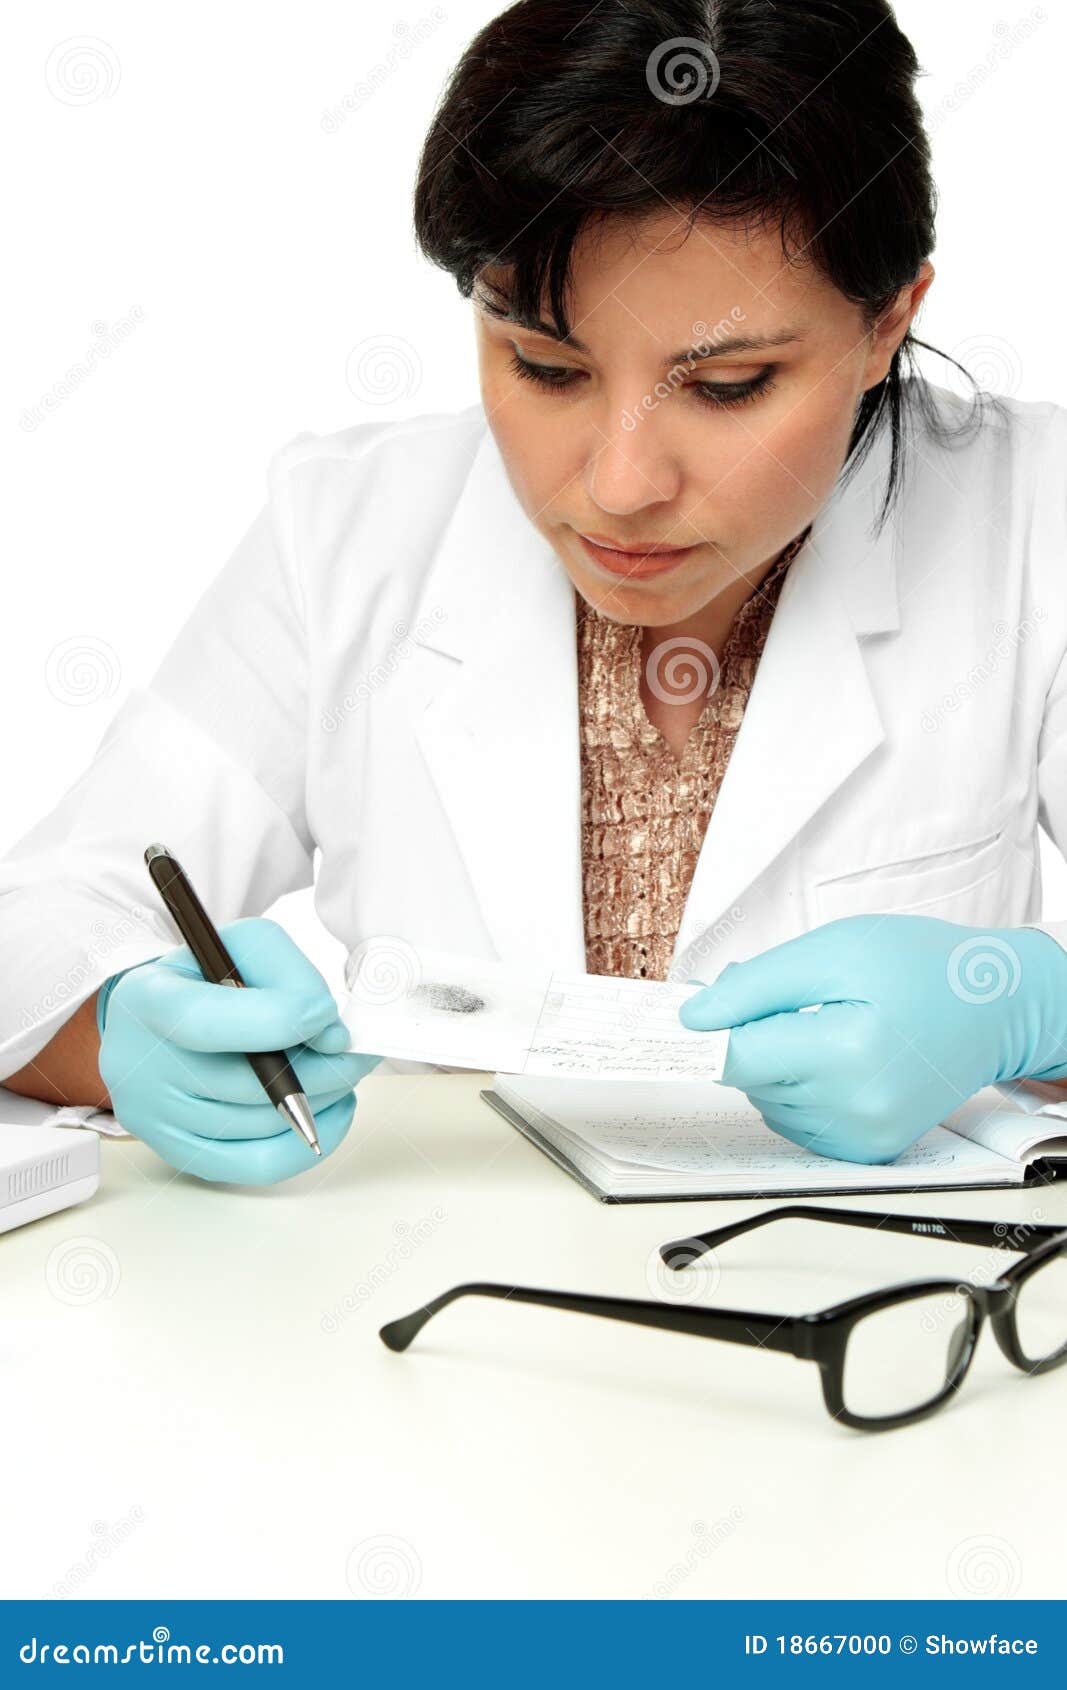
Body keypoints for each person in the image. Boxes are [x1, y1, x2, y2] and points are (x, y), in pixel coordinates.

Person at [4, 0, 1067, 1183]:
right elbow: (42, 921)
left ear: (886, 323)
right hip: (431, 1277)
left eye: (725, 385)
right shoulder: (347, 531)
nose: (619, 484)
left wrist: (1031, 1007)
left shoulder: (1034, 515)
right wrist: (122, 1029)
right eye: (546, 367)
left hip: (874, 1283)